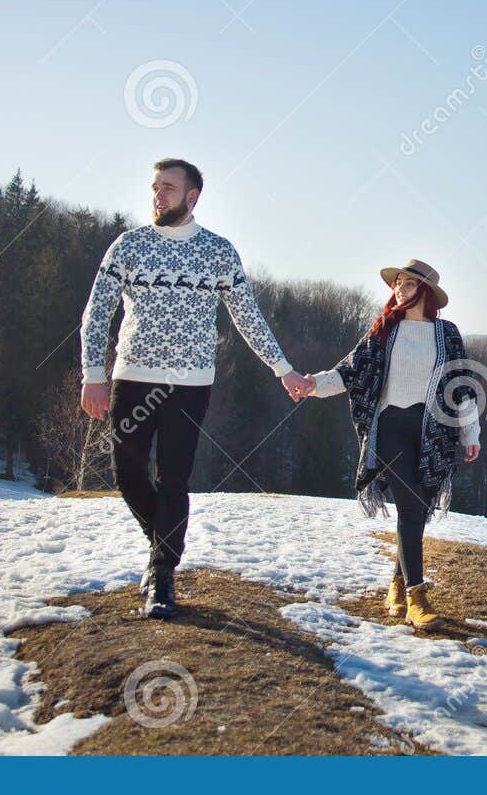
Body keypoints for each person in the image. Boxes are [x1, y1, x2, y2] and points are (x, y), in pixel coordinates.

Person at [79, 157, 314, 618]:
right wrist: (93, 375)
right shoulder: (128, 246)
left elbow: (248, 316)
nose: (157, 195)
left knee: (173, 478)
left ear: (192, 196)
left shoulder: (219, 252)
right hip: (133, 376)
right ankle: (163, 542)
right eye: (154, 187)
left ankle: (162, 575)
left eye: (168, 187)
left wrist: (282, 368)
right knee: (127, 473)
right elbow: (96, 312)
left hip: (190, 384)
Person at [299, 259, 482, 628]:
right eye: (398, 282)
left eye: (409, 283)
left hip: (433, 436)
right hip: (390, 429)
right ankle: (418, 597)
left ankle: (397, 584)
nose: (400, 288)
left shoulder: (447, 334)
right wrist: (313, 384)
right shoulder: (386, 330)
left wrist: (470, 432)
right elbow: (350, 371)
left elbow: (461, 385)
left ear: (425, 292)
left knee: (417, 512)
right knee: (411, 506)